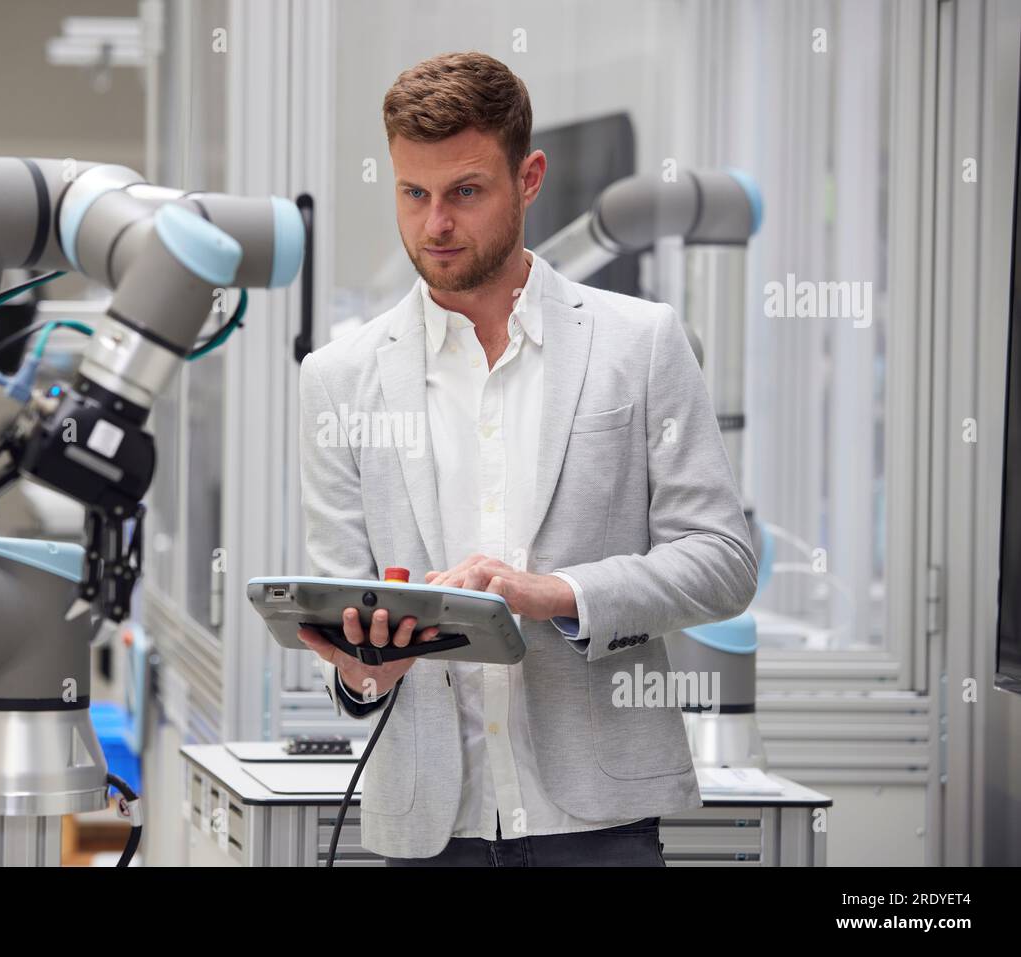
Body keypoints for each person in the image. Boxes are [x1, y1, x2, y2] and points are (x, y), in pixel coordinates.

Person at [296, 51, 757, 866]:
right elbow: (347, 642)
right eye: (413, 194)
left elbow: (723, 561)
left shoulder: (640, 344)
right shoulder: (337, 379)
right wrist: (370, 662)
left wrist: (554, 594)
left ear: (530, 177)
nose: (434, 224)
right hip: (432, 822)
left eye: (464, 192)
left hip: (601, 821)